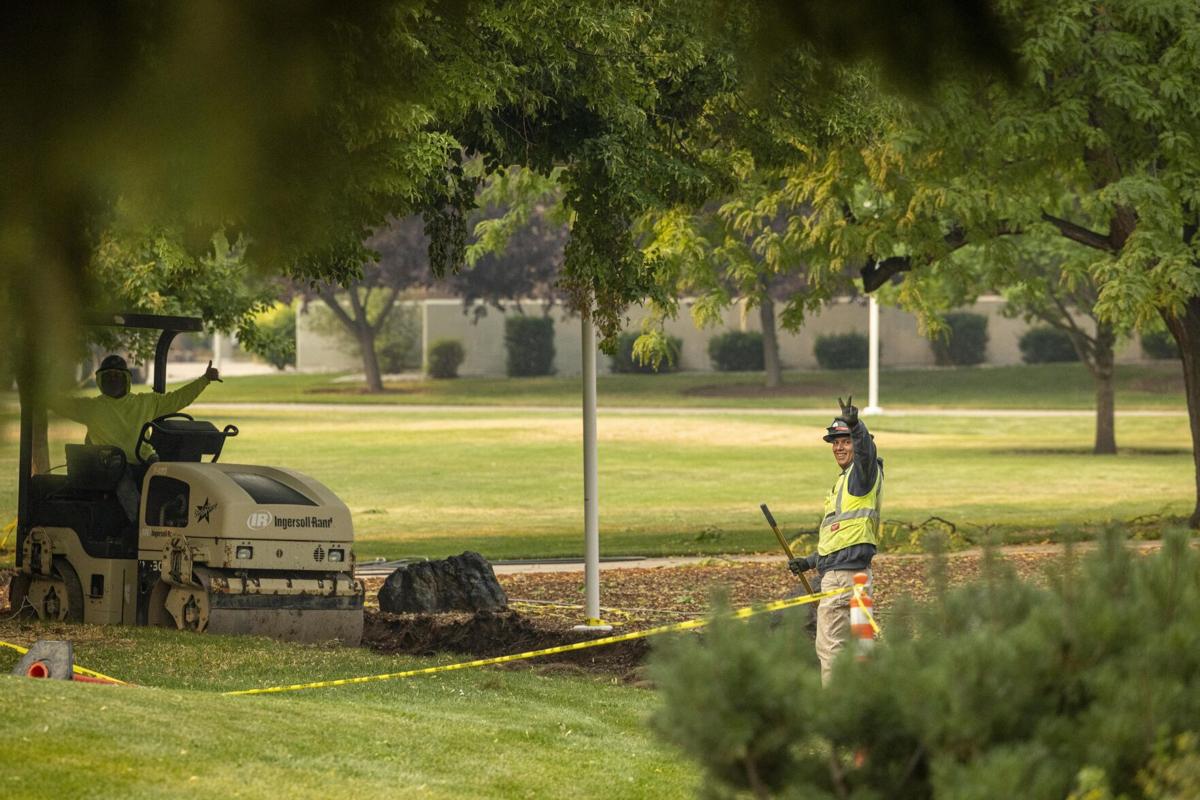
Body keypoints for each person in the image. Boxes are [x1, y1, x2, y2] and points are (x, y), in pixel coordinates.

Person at [51, 354, 221, 519]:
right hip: (112, 463)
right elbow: (58, 403)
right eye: (108, 376)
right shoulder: (91, 407)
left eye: (117, 375)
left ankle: (173, 517)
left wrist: (204, 379)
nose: (113, 379)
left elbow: (178, 398)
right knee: (122, 477)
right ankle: (140, 523)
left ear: (126, 379)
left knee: (167, 475)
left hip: (146, 458)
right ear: (100, 380)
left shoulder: (145, 402)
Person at [789, 396, 882, 685]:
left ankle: (834, 704)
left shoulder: (861, 474)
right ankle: (865, 700)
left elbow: (866, 452)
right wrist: (809, 562)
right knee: (862, 649)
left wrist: (856, 426)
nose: (839, 447)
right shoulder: (845, 481)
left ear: (857, 443)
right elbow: (840, 539)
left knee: (830, 647)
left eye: (845, 441)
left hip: (843, 578)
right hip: (857, 575)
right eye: (835, 442)